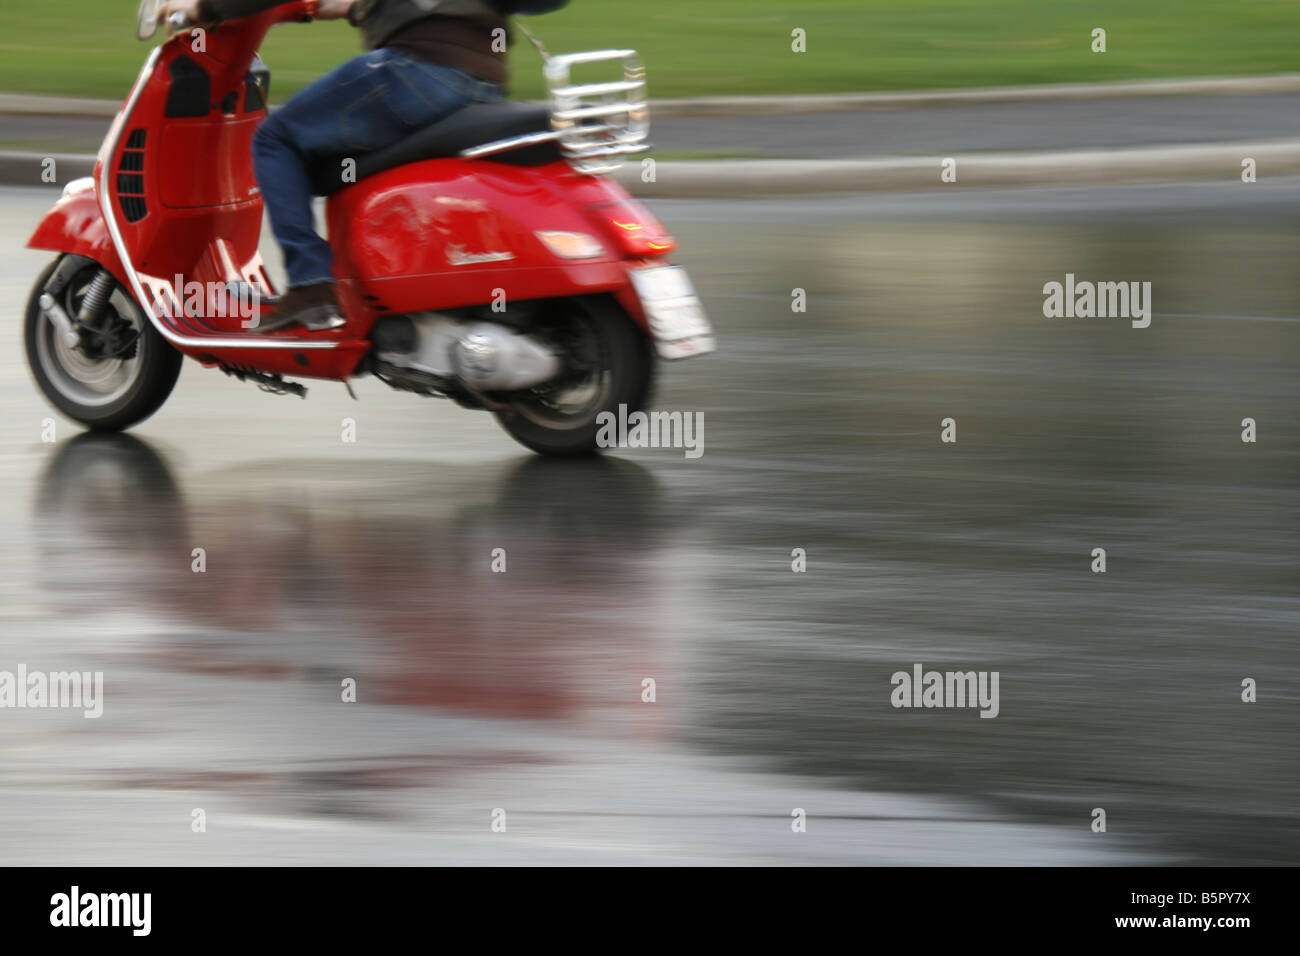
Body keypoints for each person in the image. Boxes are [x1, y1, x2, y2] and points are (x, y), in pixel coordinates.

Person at [160, 0, 512, 330]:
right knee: (341, 158)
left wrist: (202, 6)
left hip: (420, 67)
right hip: (484, 75)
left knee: (277, 140)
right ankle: (380, 283)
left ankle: (310, 284)